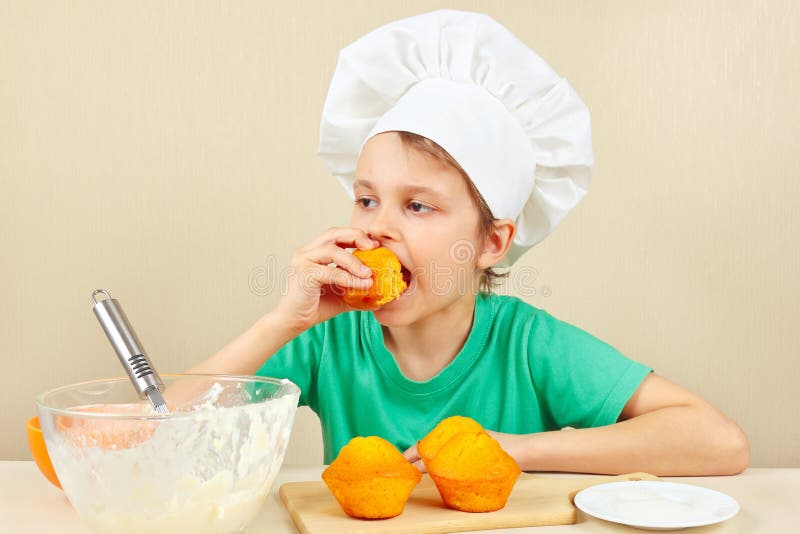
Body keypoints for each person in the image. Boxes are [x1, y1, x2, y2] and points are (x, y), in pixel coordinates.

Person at [191, 10, 749, 476]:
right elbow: (157, 430)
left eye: (418, 205)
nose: (378, 227)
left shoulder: (528, 346)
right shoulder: (329, 340)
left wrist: (519, 449)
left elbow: (720, 442)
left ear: (491, 243)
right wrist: (281, 324)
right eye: (367, 200)